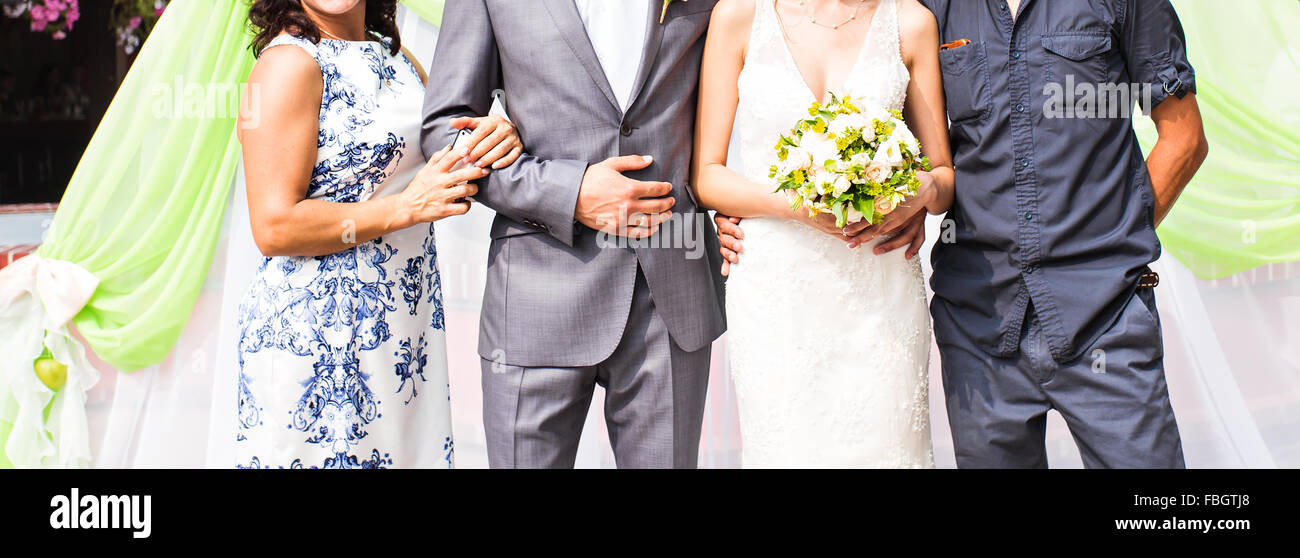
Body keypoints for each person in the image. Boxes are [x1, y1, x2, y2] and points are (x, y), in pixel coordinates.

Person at [719, 0, 1209, 468]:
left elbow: (1184, 137)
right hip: (980, 321)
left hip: (1106, 314)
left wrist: (1116, 245)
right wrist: (767, 210)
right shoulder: (932, 7)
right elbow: (903, 139)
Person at [422, 0, 728, 469]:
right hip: (535, 292)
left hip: (669, 294)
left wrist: (742, 206)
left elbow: (747, 86)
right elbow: (446, 134)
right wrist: (571, 192)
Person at [233, 0, 520, 469]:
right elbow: (273, 226)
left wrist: (498, 136)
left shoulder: (397, 59)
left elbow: (438, 163)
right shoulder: (285, 65)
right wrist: (404, 209)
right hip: (319, 343)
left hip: (403, 333)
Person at [694, 0, 953, 467]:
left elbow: (942, 177)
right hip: (776, 295)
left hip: (880, 287)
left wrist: (921, 191)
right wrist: (795, 207)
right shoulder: (737, 15)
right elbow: (708, 176)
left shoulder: (911, 22)